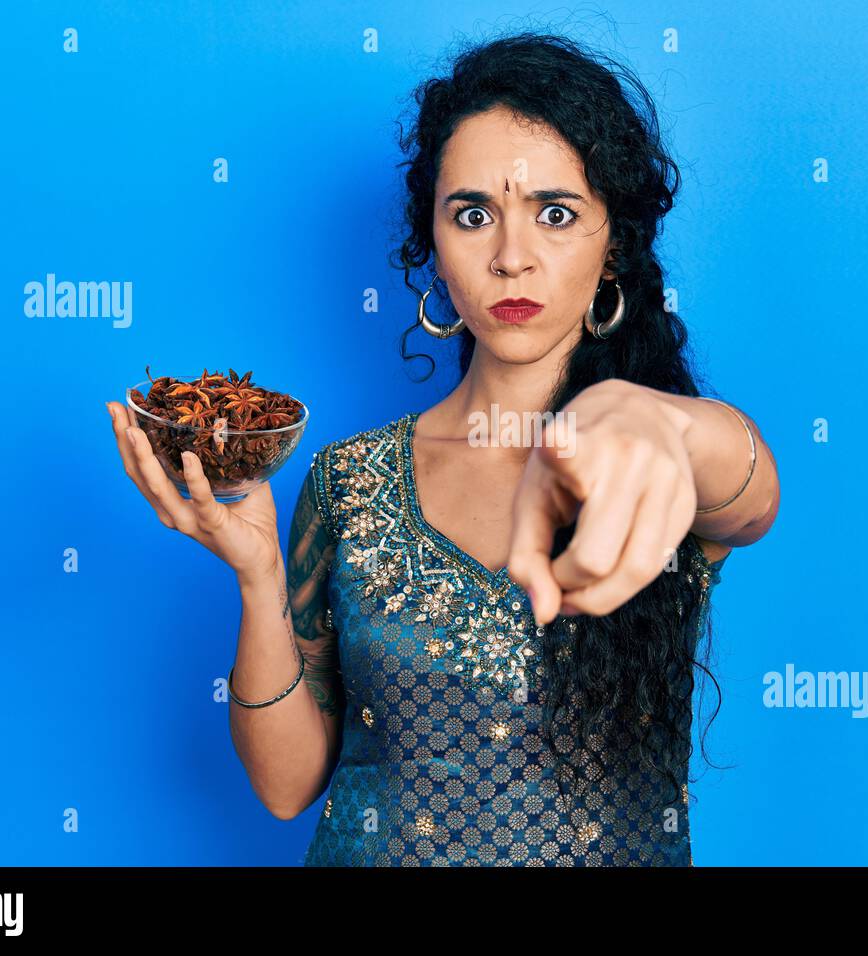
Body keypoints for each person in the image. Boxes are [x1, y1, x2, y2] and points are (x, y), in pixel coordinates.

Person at [106, 32, 779, 866]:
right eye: (473, 214)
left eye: (556, 213)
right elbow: (286, 787)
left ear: (615, 244)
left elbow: (752, 495)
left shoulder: (656, 462)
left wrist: (663, 423)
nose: (511, 256)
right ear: (432, 243)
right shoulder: (349, 481)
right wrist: (258, 579)